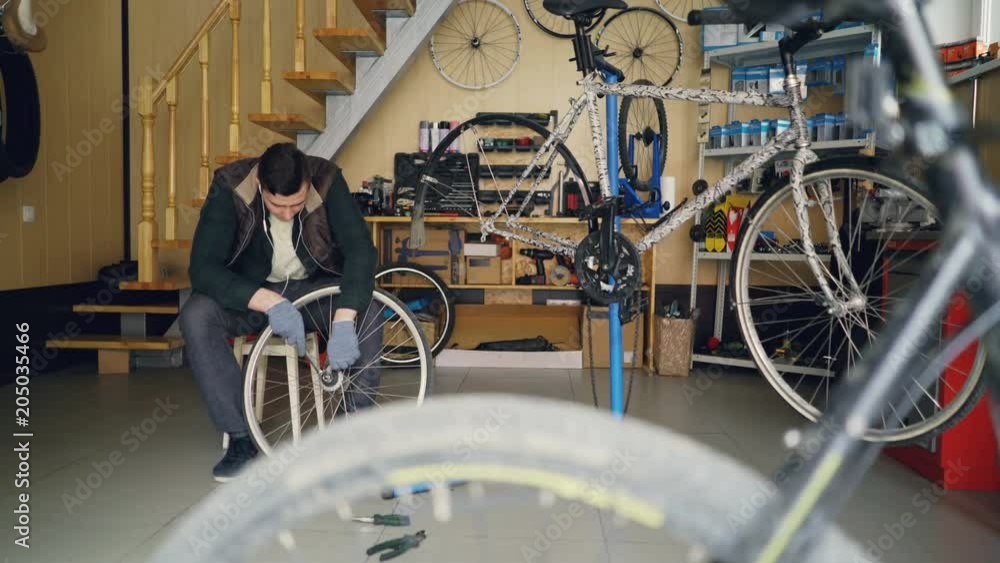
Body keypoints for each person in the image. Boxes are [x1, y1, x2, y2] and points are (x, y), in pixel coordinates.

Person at [179, 142, 379, 482]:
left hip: (313, 290)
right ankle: (241, 439)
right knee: (196, 316)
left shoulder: (328, 179)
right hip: (254, 294)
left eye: (297, 204)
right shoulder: (230, 186)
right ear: (259, 184)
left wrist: (345, 317)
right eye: (277, 205)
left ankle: (353, 432)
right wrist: (266, 301)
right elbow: (202, 268)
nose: (288, 213)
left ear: (307, 185)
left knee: (370, 309)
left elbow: (361, 249)